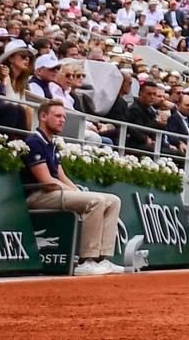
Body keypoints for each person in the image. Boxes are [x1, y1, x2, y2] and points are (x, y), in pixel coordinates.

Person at [22, 100, 125, 276]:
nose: (62, 120)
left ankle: (103, 258)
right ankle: (86, 260)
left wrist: (76, 191)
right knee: (96, 200)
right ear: (43, 117)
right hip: (37, 195)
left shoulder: (52, 144)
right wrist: (74, 193)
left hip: (55, 192)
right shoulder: (34, 142)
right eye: (58, 116)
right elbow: (47, 182)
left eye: (64, 116)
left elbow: (61, 176)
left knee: (113, 201)